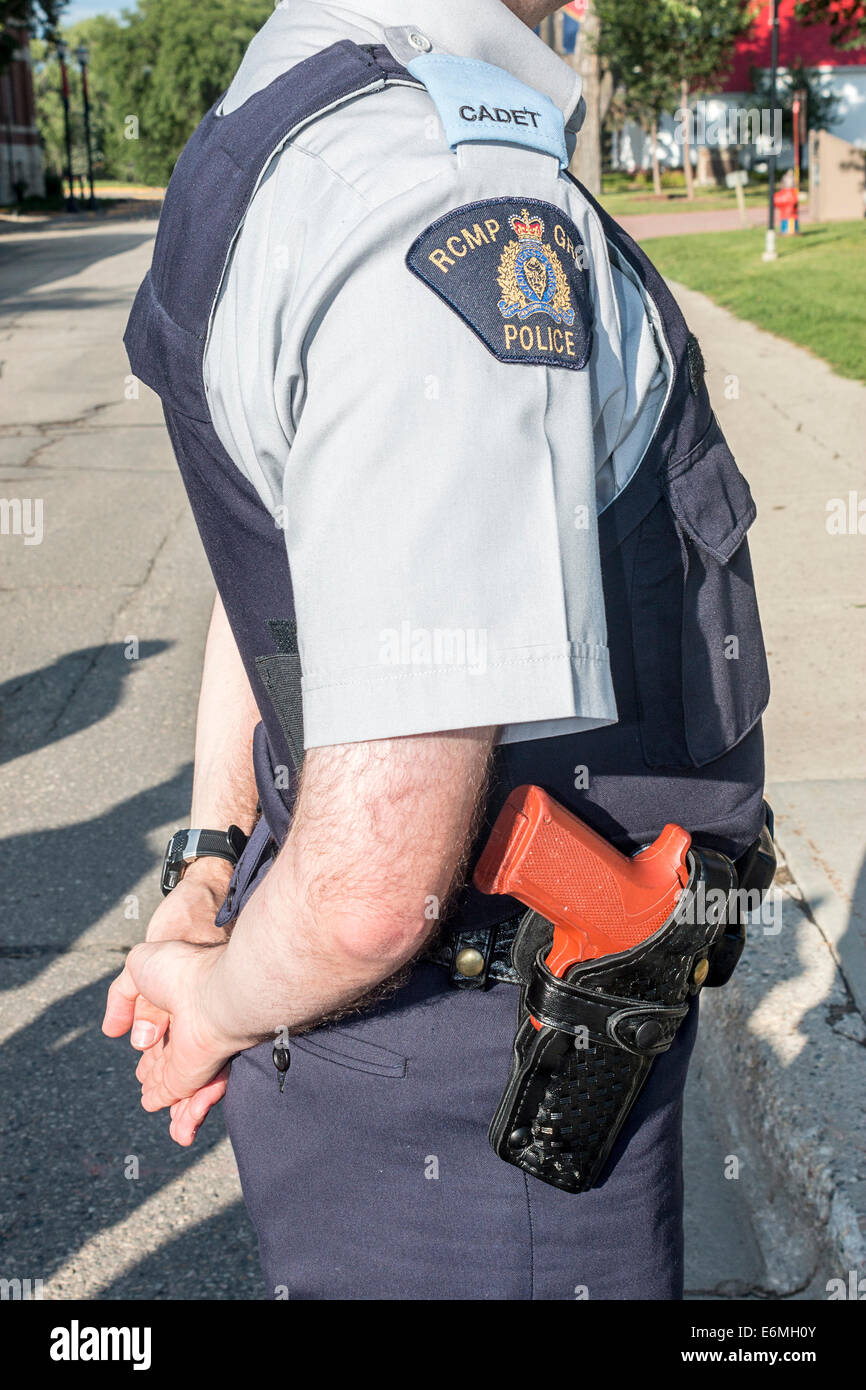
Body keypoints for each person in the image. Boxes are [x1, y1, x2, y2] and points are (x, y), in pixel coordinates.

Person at [104, 0, 770, 1300]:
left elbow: (288, 580)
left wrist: (206, 866)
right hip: (487, 1092)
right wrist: (219, 1004)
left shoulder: (286, 109)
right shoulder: (440, 191)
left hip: (418, 1054)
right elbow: (367, 894)